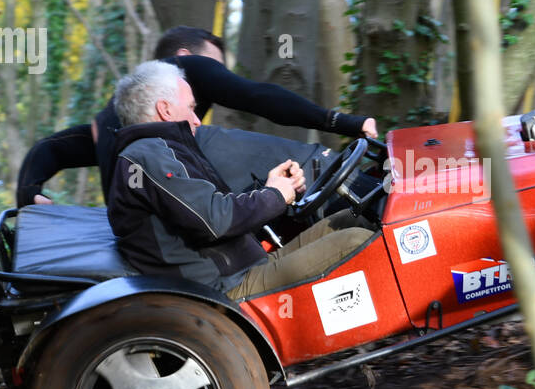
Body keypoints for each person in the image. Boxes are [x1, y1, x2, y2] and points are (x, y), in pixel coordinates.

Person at [16, 25, 378, 206]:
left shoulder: (109, 121)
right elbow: (258, 98)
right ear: (188, 57)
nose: (219, 84)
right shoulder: (184, 68)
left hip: (144, 231)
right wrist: (342, 121)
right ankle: (378, 201)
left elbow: (49, 149)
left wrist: (29, 198)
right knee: (304, 169)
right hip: (181, 217)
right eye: (215, 69)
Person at [107, 60, 374, 299]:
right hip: (226, 289)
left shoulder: (158, 151)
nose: (197, 120)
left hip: (245, 267)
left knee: (353, 218)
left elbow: (206, 210)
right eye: (190, 108)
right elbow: (213, 221)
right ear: (164, 109)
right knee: (357, 241)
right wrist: (275, 196)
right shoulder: (147, 155)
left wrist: (274, 188)